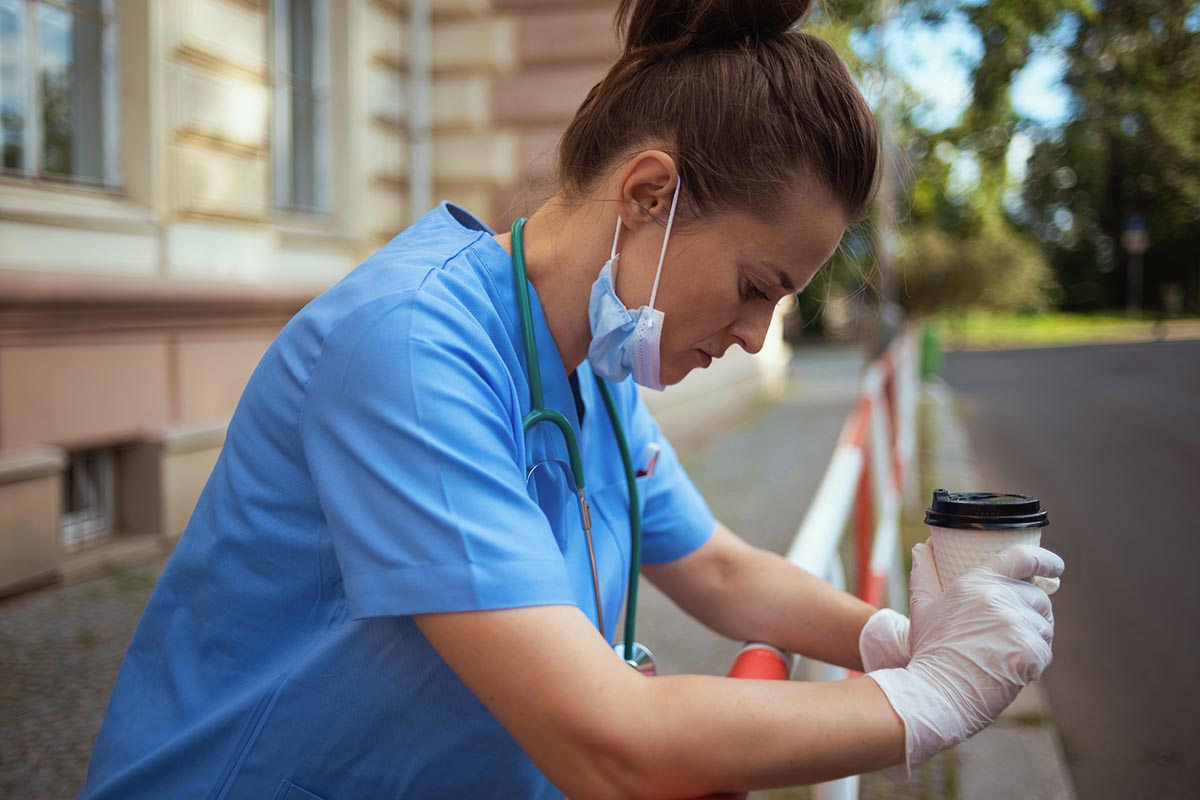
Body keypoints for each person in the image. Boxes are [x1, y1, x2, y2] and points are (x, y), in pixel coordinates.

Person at [80, 1, 1063, 797]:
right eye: (756, 286)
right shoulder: (412, 349)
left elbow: (717, 568)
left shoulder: (594, 357)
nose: (759, 336)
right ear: (647, 195)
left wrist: (890, 634)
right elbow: (612, 743)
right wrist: (924, 698)